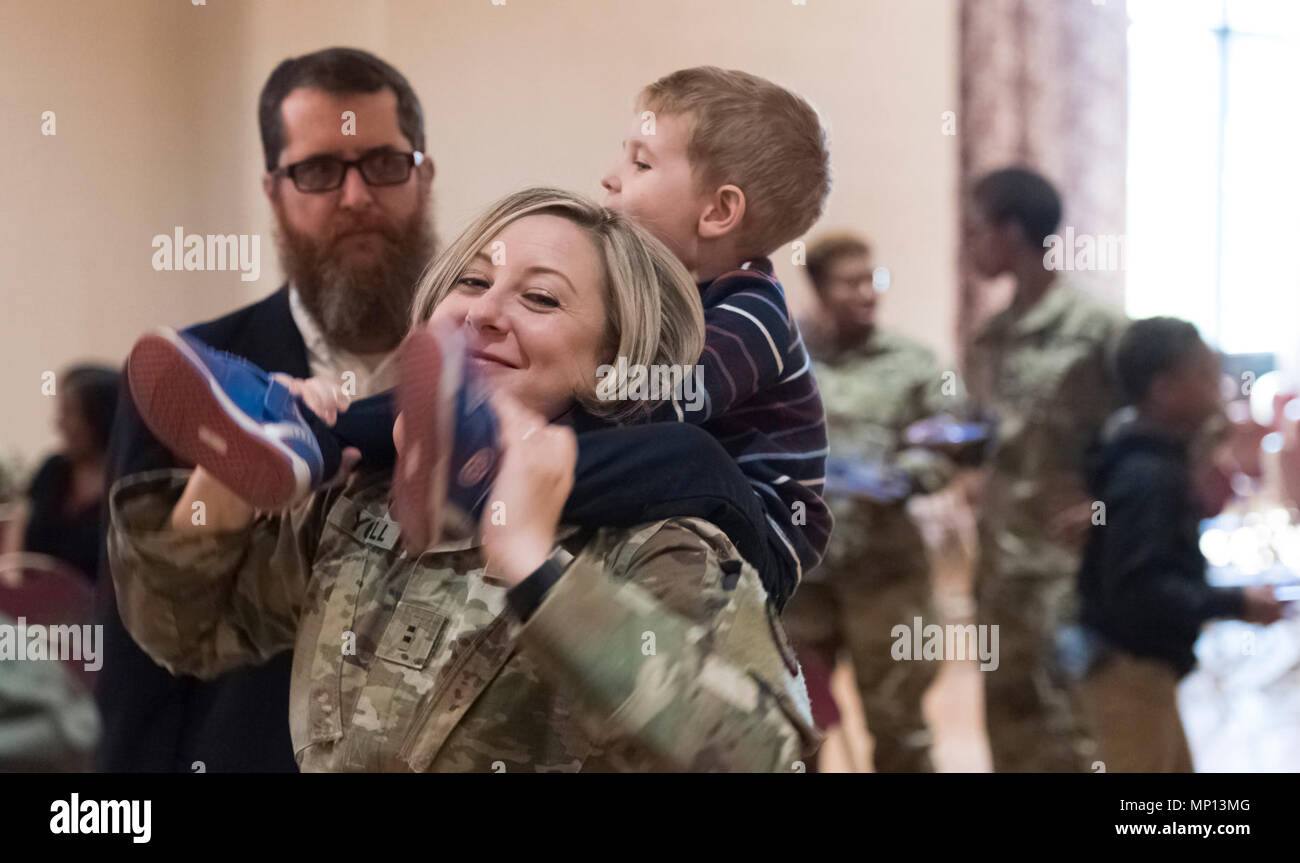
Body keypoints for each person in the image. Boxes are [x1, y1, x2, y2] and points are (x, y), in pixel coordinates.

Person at [108, 188, 818, 772]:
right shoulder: (363, 503)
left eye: (540, 299)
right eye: (472, 282)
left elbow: (767, 758)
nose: (483, 311)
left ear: (615, 360)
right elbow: (188, 635)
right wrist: (228, 486)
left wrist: (534, 568)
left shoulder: (660, 542)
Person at [126, 66, 834, 609]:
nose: (610, 176)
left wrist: (508, 429)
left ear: (720, 210)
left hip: (756, 531)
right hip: (642, 475)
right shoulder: (668, 291)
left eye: (642, 163)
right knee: (446, 397)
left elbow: (660, 399)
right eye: (472, 284)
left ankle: (473, 467)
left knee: (684, 449)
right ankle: (303, 429)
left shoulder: (755, 311)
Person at [96, 46, 437, 772]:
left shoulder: (493, 360)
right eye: (318, 171)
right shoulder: (192, 374)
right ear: (274, 191)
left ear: (424, 174)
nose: (354, 198)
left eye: (382, 162)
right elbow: (138, 660)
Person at [963, 166, 1127, 772]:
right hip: (1000, 565)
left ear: (1011, 231)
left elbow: (1169, 429)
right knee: (1007, 722)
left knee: (1071, 726)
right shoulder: (987, 341)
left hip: (1068, 568)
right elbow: (989, 440)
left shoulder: (1099, 333)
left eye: (977, 229)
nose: (971, 244)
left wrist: (1109, 505)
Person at [782, 234, 959, 772]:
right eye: (850, 282)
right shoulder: (786, 362)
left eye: (872, 279)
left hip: (887, 579)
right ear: (817, 287)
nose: (866, 293)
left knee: (899, 724)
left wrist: (901, 477)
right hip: (801, 579)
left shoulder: (913, 363)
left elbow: (952, 446)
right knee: (797, 724)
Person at [1075, 317, 1284, 772]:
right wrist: (1235, 604)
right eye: (1206, 375)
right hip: (1129, 671)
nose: (1219, 388)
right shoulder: (1148, 475)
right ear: (1165, 388)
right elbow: (1141, 587)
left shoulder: (1150, 459)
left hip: (1147, 670)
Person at [3, 365, 119, 581]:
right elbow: (20, 519)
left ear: (99, 418)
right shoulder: (52, 469)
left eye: (70, 412)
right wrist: (12, 579)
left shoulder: (124, 486)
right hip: (31, 603)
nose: (59, 423)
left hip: (90, 611)